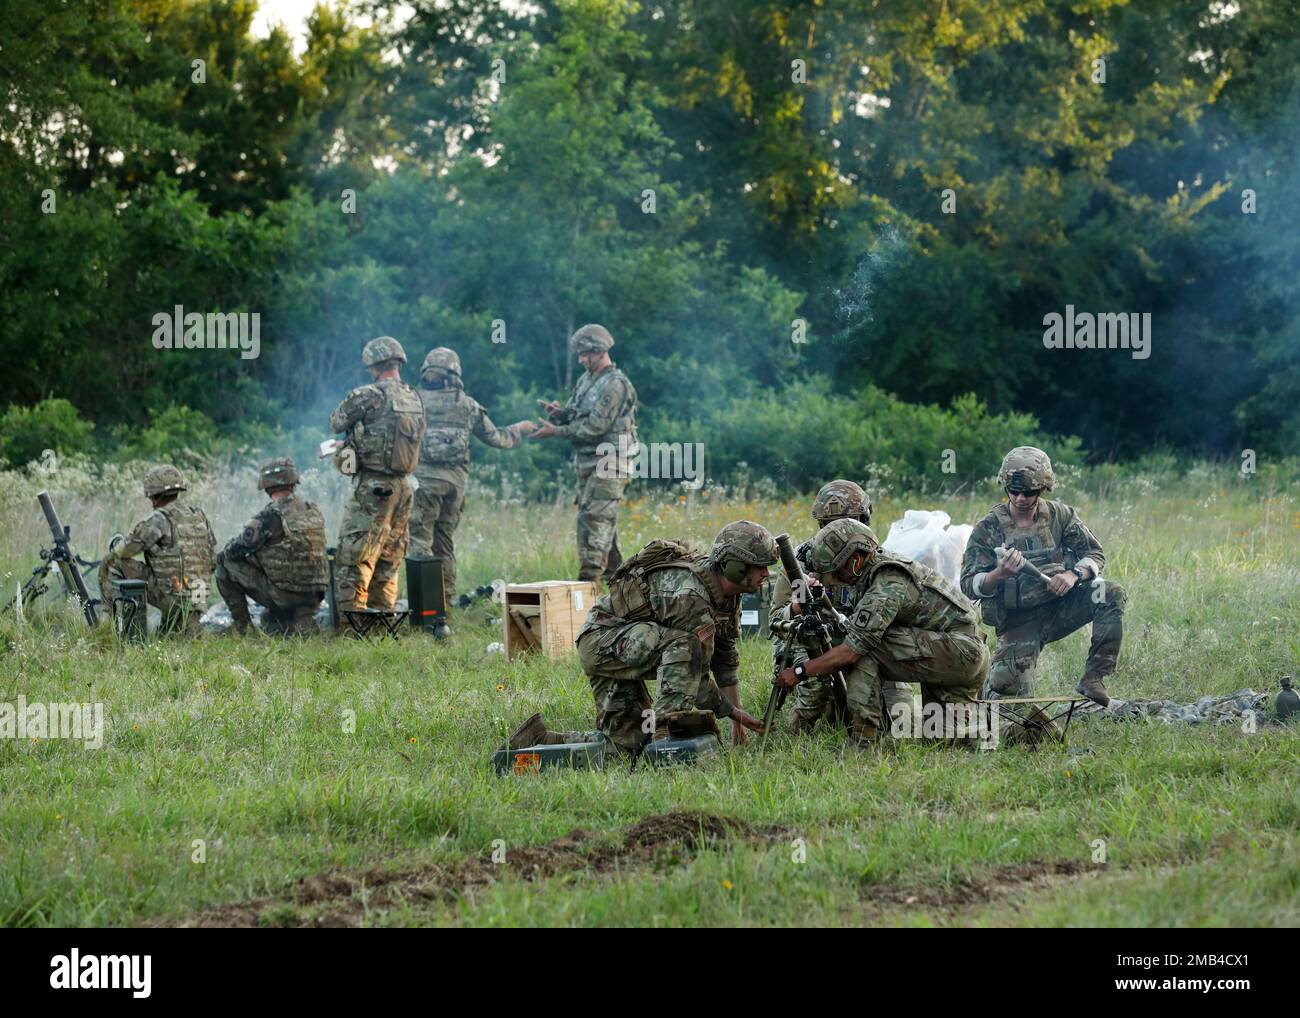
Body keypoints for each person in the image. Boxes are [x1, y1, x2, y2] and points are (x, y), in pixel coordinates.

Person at [775, 519, 989, 746]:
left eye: (836, 571)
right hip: (958, 654)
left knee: (864, 649)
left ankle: (863, 744)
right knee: (947, 742)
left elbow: (851, 651)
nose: (835, 579)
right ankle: (1021, 731)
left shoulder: (888, 580)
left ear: (855, 560)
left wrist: (799, 671)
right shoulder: (876, 570)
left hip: (960, 651)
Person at [573, 521, 774, 757]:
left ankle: (540, 740)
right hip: (602, 642)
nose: (767, 574)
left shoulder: (727, 595)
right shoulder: (692, 599)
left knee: (625, 747)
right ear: (735, 567)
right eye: (760, 566)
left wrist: (737, 725)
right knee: (685, 648)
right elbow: (695, 677)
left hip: (631, 643)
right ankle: (664, 739)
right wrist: (733, 712)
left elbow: (725, 659)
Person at [959, 446, 1124, 707]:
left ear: (1043, 489)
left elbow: (1094, 553)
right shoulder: (988, 528)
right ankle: (991, 687)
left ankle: (1095, 678)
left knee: (1110, 592)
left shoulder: (1060, 515)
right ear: (1006, 489)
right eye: (1014, 492)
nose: (1021, 498)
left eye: (1029, 493)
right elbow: (968, 583)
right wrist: (999, 574)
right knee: (1010, 702)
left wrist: (1073, 574)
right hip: (1018, 623)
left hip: (1061, 607)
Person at [408, 346, 537, 634]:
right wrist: (518, 429)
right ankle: (445, 609)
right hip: (455, 486)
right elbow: (497, 438)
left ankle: (421, 614)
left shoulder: (414, 402)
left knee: (418, 543)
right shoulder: (467, 405)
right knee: (445, 545)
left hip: (424, 484)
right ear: (456, 374)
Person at [768, 479, 911, 732]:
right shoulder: (802, 565)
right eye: (830, 526)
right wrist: (798, 607)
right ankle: (797, 734)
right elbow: (776, 620)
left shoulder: (876, 561)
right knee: (815, 691)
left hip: (862, 646)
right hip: (811, 646)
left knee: (902, 718)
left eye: (849, 524)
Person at [528, 323, 638, 585]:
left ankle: (586, 587)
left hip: (610, 461)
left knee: (594, 521)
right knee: (600, 523)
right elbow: (579, 414)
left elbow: (594, 427)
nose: (581, 359)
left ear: (600, 351)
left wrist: (555, 431)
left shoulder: (615, 385)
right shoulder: (587, 380)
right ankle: (620, 586)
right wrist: (560, 413)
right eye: (580, 354)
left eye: (586, 354)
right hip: (589, 461)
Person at [327, 336, 426, 614]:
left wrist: (354, 440)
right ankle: (382, 619)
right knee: (389, 556)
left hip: (374, 487)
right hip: (405, 488)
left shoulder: (368, 394)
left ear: (373, 364)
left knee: (353, 554)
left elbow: (335, 422)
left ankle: (352, 624)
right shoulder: (414, 397)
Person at [213, 457, 328, 635]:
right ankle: (300, 620)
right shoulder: (311, 509)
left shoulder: (270, 515)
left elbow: (234, 550)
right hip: (315, 595)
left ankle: (243, 627)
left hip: (286, 594)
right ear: (293, 482)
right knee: (270, 622)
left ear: (266, 486)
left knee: (223, 562)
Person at [98, 464, 216, 636]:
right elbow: (213, 561)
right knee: (175, 639)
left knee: (111, 562)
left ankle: (109, 627)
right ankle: (180, 624)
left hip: (172, 599)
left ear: (153, 496)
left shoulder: (159, 519)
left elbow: (123, 551)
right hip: (198, 600)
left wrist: (117, 543)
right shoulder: (199, 516)